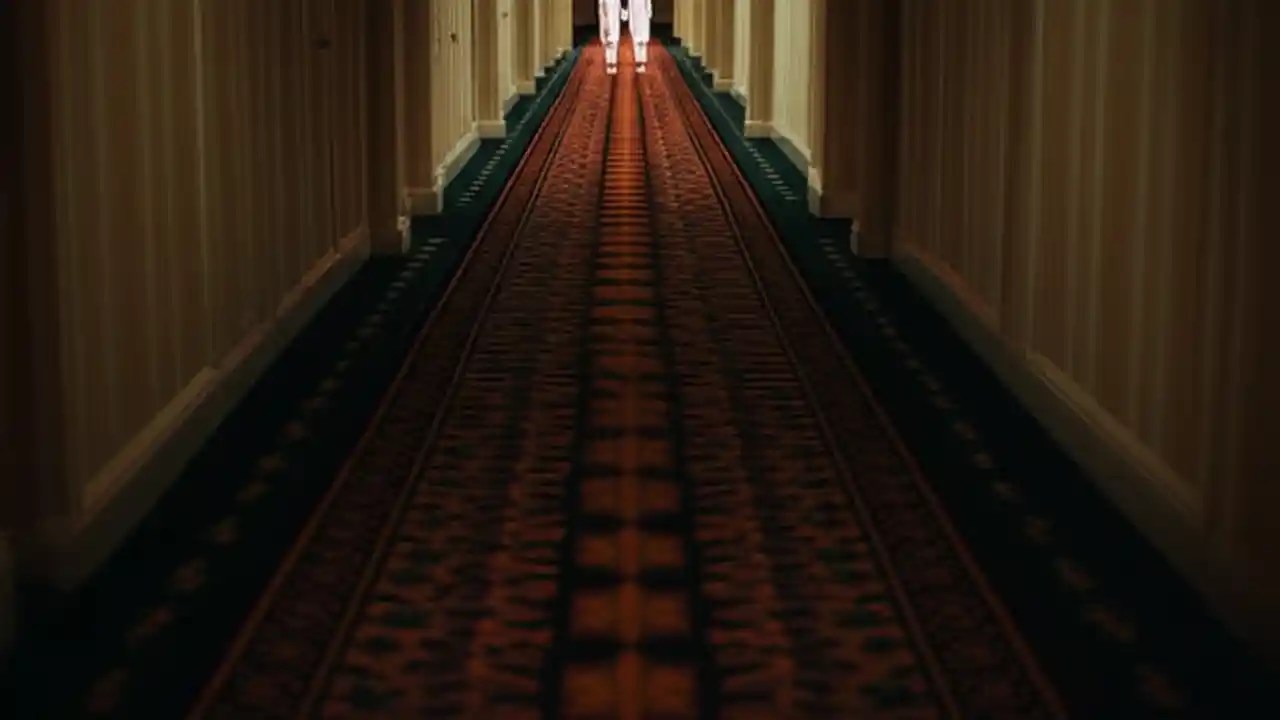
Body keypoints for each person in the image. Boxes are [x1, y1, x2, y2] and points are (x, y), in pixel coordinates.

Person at [627, 0, 652, 73]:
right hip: (635, 16)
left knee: (643, 39)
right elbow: (630, 5)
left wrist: (649, 11)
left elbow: (648, 2)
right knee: (636, 39)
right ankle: (638, 62)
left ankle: (642, 61)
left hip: (643, 15)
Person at [598, 0, 621, 76]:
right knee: (607, 35)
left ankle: (613, 62)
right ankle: (609, 63)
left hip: (614, 12)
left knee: (614, 36)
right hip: (606, 12)